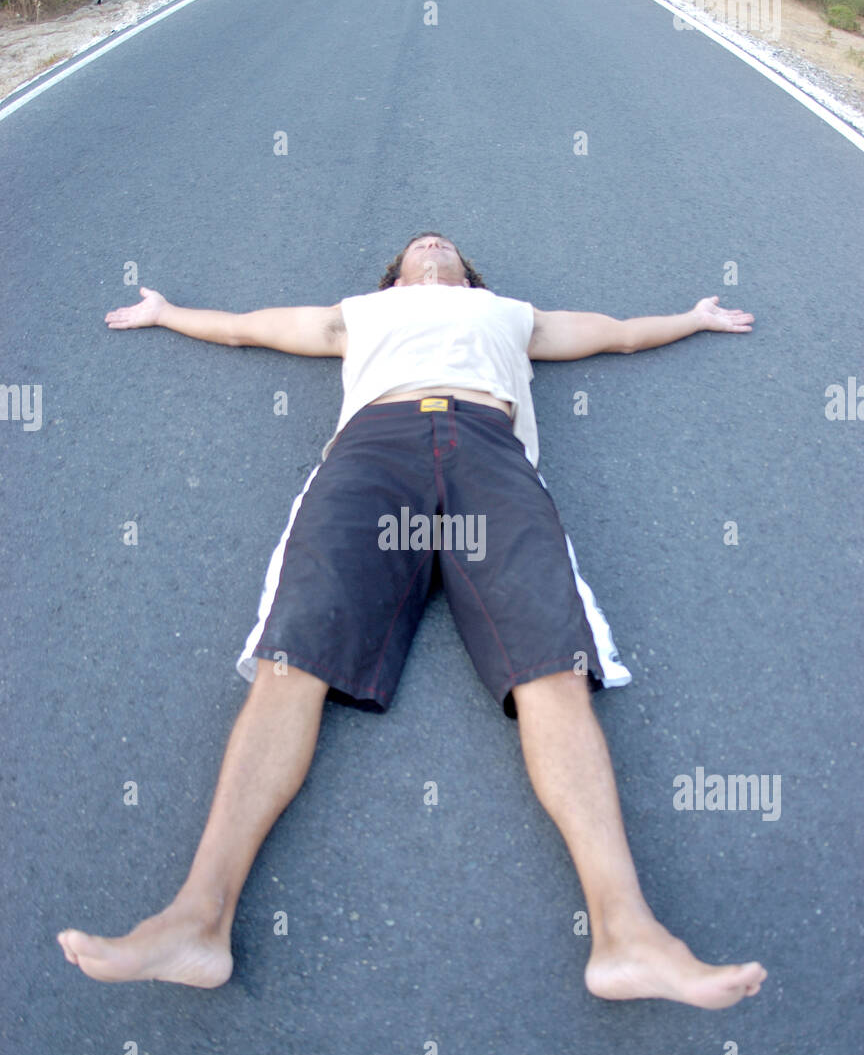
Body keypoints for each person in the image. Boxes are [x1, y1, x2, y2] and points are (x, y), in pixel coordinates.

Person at [57, 231, 765, 1009]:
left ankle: (628, 938)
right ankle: (195, 922)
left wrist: (692, 318)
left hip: (488, 450)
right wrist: (167, 312)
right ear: (394, 278)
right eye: (416, 248)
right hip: (372, 452)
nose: (433, 246)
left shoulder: (508, 314)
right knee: (290, 660)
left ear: (469, 276)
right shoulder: (358, 314)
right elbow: (245, 324)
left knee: (553, 669)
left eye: (447, 246)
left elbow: (619, 334)